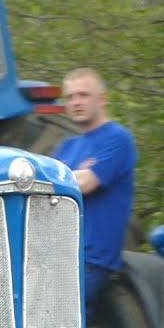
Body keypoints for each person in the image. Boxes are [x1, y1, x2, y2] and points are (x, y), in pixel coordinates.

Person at [51, 68, 137, 306]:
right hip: (59, 256)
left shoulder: (117, 138)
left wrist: (67, 178)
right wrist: (75, 175)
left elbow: (85, 184)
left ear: (102, 99)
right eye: (70, 97)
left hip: (91, 259)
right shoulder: (69, 145)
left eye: (83, 95)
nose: (76, 102)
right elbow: (44, 188)